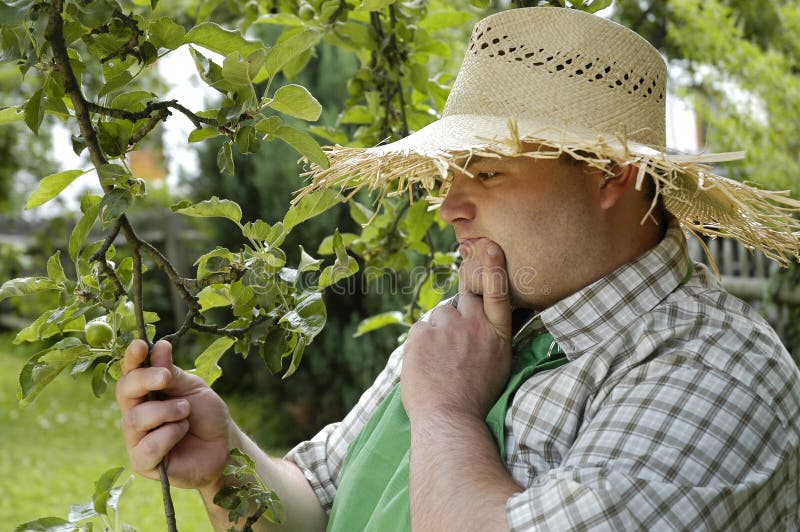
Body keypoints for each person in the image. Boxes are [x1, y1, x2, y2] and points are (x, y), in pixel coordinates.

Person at [117, 7, 800, 531]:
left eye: (488, 172)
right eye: (452, 174)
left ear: (608, 175)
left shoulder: (715, 367)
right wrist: (225, 460)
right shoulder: (471, 324)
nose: (449, 206)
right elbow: (316, 500)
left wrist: (446, 416)